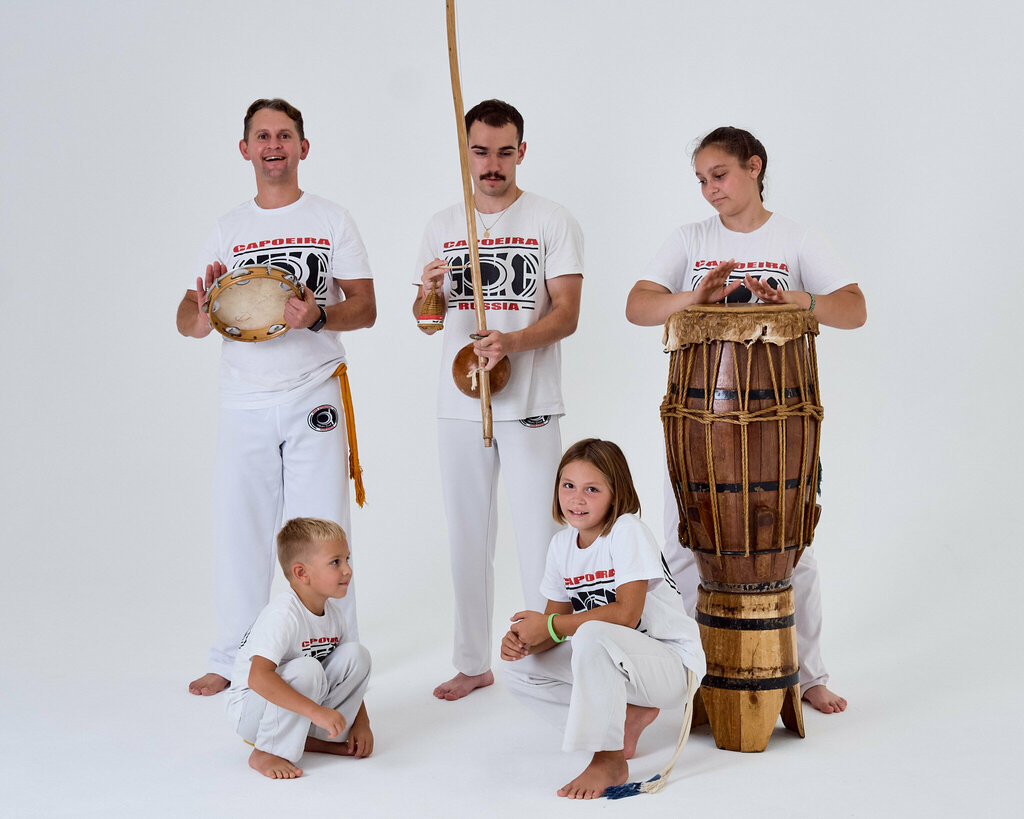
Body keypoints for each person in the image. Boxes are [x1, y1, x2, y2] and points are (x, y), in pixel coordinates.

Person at [625, 125, 867, 714]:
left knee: (793, 551)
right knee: (684, 545)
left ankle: (809, 676)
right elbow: (637, 306)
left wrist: (799, 300)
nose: (711, 189)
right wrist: (693, 297)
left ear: (754, 166)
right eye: (702, 180)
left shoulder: (797, 238)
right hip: (701, 421)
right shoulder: (690, 238)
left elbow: (854, 309)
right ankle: (685, 675)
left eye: (721, 175)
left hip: (777, 427)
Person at [177, 98, 376, 697]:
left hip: (314, 389)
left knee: (322, 532)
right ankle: (236, 653)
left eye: (284, 135)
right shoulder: (227, 228)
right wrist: (206, 310)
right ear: (245, 149)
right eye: (261, 136)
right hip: (245, 396)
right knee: (242, 525)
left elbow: (365, 308)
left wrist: (318, 317)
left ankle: (333, 654)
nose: (273, 146)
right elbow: (187, 318)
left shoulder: (332, 219)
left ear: (303, 147)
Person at [413, 99, 584, 701]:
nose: (492, 164)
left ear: (522, 152)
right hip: (459, 402)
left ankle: (549, 656)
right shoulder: (442, 223)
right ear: (467, 152)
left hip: (530, 400)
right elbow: (427, 322)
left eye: (504, 152)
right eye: (480, 151)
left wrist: (511, 340)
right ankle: (472, 661)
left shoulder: (551, 219)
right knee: (467, 534)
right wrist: (431, 293)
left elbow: (567, 315)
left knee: (543, 536)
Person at [501, 439, 705, 800]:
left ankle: (609, 758)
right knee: (521, 668)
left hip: (670, 667)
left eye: (591, 489)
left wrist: (548, 626)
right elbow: (556, 624)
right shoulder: (562, 546)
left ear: (616, 494)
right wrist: (525, 639)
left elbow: (627, 615)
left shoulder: (626, 531)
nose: (577, 499)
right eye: (568, 486)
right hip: (621, 664)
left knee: (593, 633)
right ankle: (621, 721)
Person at [226, 518, 373, 779]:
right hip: (252, 713)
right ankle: (265, 751)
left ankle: (306, 738)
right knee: (307, 669)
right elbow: (258, 677)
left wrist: (363, 722)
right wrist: (316, 711)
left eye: (347, 559)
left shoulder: (335, 615)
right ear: (301, 573)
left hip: (299, 703)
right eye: (335, 562)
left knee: (357, 655)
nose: (347, 570)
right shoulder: (283, 614)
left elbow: (349, 674)